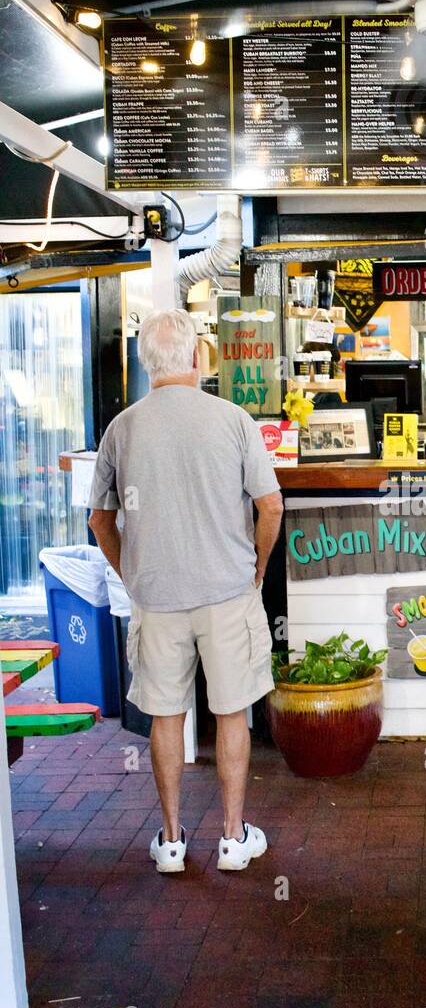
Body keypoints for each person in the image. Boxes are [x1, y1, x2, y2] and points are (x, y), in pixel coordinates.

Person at [88, 310, 284, 875]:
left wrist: (133, 574)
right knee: (230, 711)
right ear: (198, 359)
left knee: (166, 716)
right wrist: (256, 568)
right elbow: (270, 506)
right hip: (227, 591)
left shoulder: (121, 428)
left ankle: (171, 841)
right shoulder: (232, 418)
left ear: (147, 362)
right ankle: (231, 837)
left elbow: (99, 519)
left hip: (157, 596)